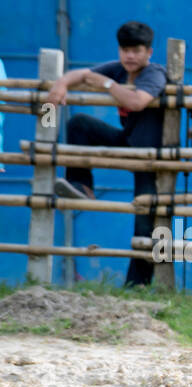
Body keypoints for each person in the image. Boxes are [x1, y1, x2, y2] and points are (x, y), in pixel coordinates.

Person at [48, 21, 166, 287]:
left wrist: (105, 84)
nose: (130, 56)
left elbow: (136, 102)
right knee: (79, 124)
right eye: (125, 49)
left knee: (145, 226)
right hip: (128, 143)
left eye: (136, 50)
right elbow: (81, 74)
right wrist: (60, 86)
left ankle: (137, 287)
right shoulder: (117, 70)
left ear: (149, 51)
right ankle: (82, 185)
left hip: (151, 158)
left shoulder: (154, 73)